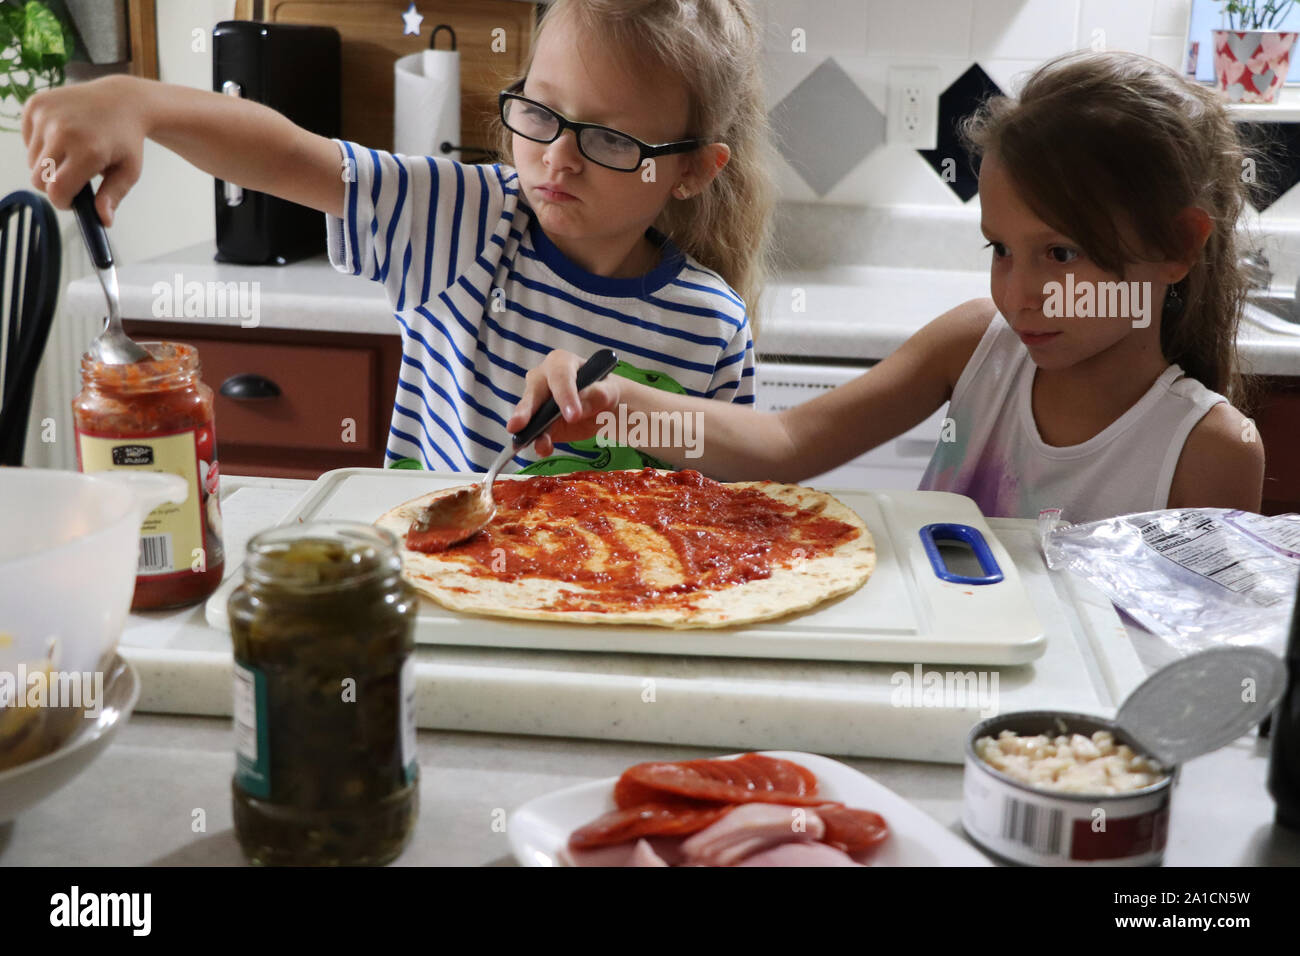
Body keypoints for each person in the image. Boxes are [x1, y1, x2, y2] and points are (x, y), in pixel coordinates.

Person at [511, 51, 1267, 522]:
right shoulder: (976, 346)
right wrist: (617, 409)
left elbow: (1184, 667)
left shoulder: (1207, 450)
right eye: (1001, 250)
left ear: (1175, 248)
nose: (1021, 292)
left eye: (1062, 254)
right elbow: (785, 443)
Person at [22, 0, 774, 473]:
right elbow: (291, 155)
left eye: (609, 140)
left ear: (693, 171)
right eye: (540, 113)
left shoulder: (711, 327)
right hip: (437, 596)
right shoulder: (465, 220)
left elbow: (732, 501)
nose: (557, 155)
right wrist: (139, 102)